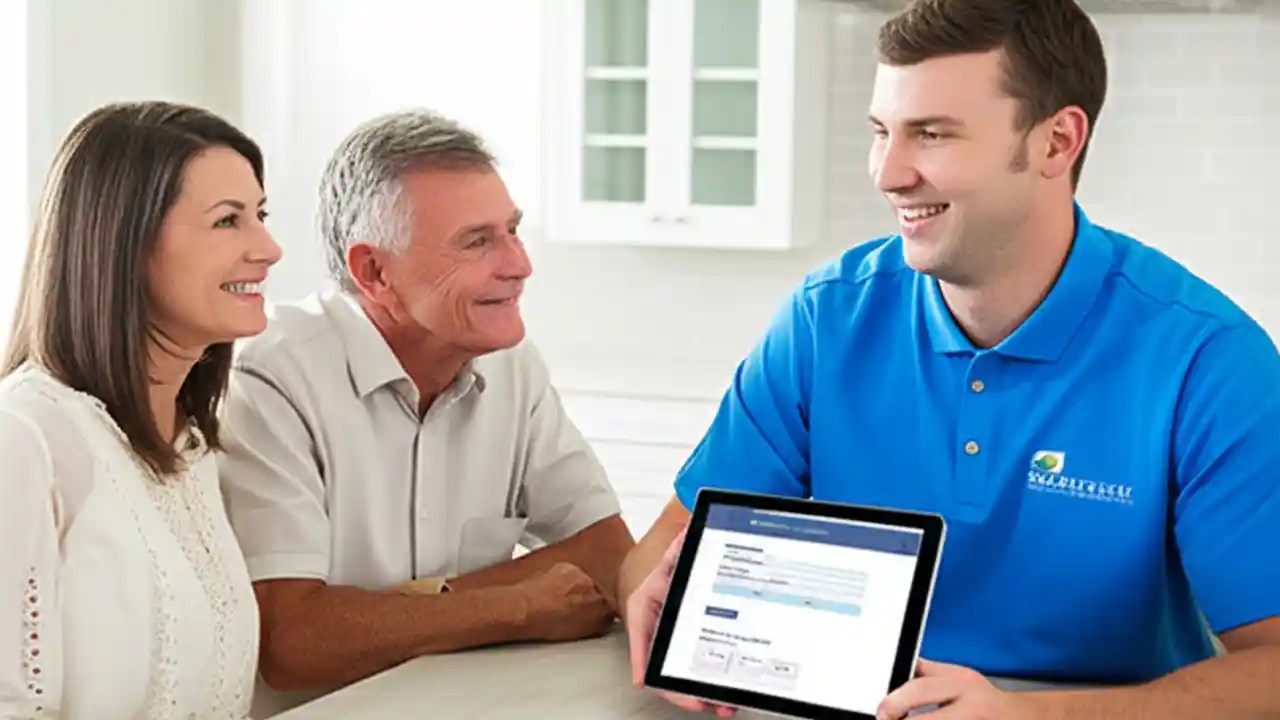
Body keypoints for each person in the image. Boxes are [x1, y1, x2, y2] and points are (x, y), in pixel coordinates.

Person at [619, 1, 1280, 718]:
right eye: (882, 132)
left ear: (1057, 141)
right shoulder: (825, 320)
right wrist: (655, 598)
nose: (888, 174)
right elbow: (653, 555)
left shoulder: (1208, 361)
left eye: (931, 135)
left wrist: (1027, 719)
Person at [216, 109, 634, 709]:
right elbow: (292, 641)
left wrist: (402, 609)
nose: (519, 264)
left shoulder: (512, 364)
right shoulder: (272, 378)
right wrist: (517, 604)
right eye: (477, 241)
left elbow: (607, 554)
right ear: (375, 272)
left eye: (512, 230)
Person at [0, 101, 281, 718]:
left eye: (260, 215)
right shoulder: (25, 438)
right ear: (123, 242)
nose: (270, 247)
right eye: (227, 221)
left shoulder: (191, 451)